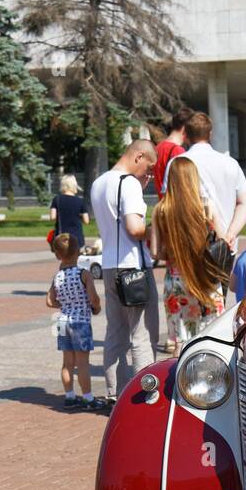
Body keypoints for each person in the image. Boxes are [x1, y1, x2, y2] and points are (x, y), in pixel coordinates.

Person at [89, 139, 156, 405]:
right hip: (133, 266)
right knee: (142, 334)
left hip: (109, 266)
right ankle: (147, 395)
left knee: (115, 331)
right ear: (138, 156)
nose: (148, 175)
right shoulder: (128, 183)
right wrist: (157, 229)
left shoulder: (99, 182)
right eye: (148, 168)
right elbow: (134, 228)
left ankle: (114, 393)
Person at [153, 155, 227, 344]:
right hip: (204, 278)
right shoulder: (205, 206)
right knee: (211, 338)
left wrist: (173, 253)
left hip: (176, 282)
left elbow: (156, 252)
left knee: (181, 341)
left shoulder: (161, 209)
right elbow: (222, 240)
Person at [163, 112, 246, 254]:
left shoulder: (177, 164)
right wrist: (230, 234)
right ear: (210, 134)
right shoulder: (230, 163)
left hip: (189, 245)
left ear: (185, 134)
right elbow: (245, 202)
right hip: (225, 247)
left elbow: (168, 205)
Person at [45, 232, 104, 410]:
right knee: (83, 364)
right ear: (78, 252)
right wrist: (96, 308)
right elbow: (93, 298)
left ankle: (70, 396)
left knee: (67, 363)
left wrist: (63, 304)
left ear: (57, 255)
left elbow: (49, 301)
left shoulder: (58, 277)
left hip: (62, 321)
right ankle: (88, 398)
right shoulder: (84, 274)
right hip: (80, 322)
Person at [153, 108, 191, 196]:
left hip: (162, 204)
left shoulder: (158, 147)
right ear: (185, 128)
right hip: (176, 206)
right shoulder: (177, 151)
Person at [48, 174, 89, 247]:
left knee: (63, 256)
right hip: (77, 236)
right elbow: (86, 221)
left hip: (61, 236)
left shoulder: (57, 199)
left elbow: (52, 217)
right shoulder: (80, 201)